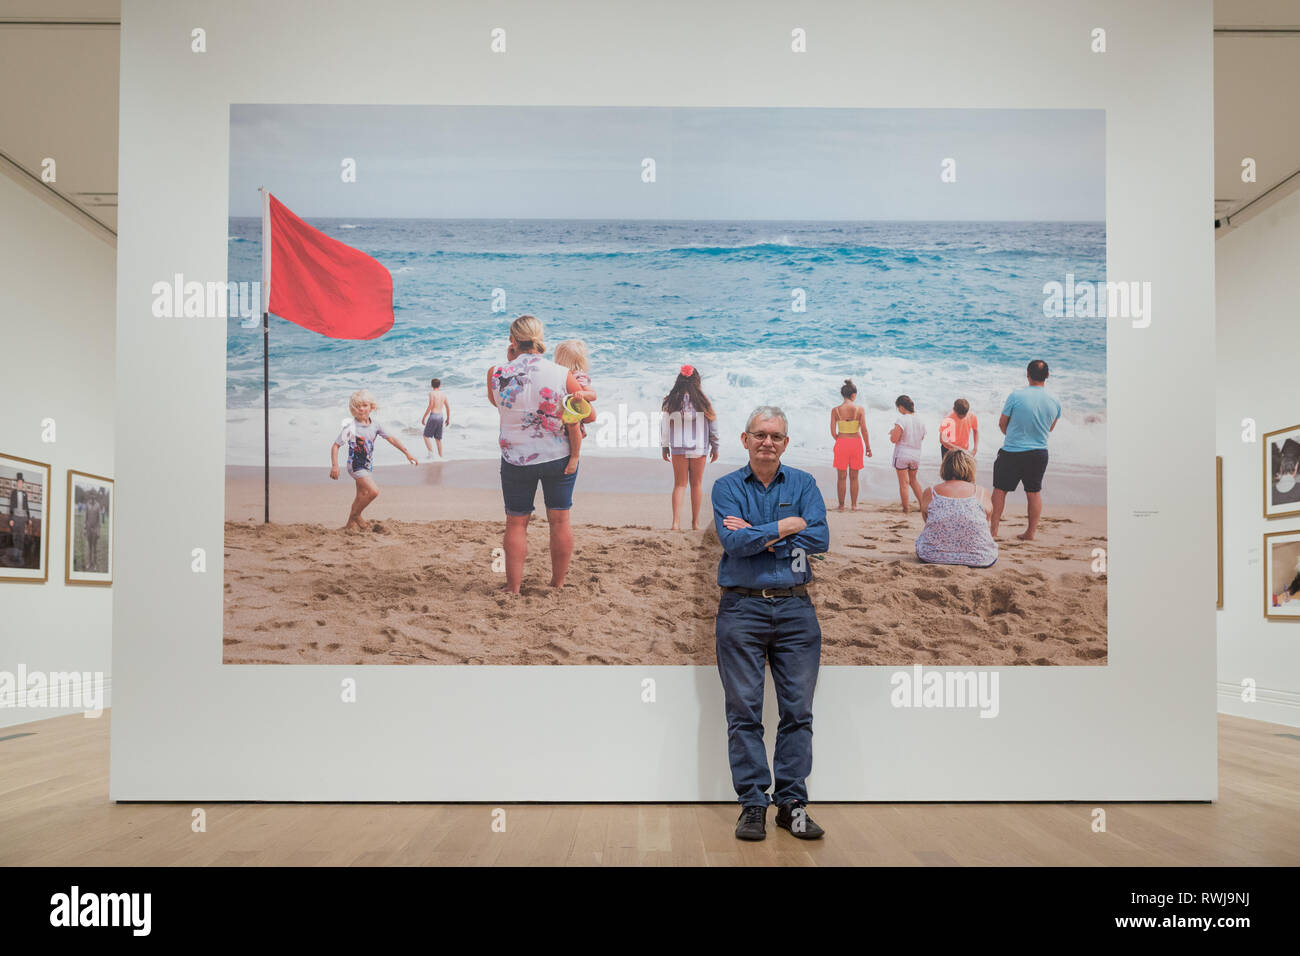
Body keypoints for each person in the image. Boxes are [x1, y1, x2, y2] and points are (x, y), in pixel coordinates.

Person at [711, 406, 830, 842]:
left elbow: (819, 539)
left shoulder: (804, 483)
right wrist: (785, 525)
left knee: (798, 712)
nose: (768, 442)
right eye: (760, 435)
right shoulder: (726, 486)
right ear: (745, 440)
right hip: (741, 610)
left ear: (785, 443)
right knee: (743, 713)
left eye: (776, 436)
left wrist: (760, 534)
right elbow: (733, 543)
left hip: (797, 610)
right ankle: (753, 805)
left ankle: (792, 806)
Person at [486, 315, 596, 593]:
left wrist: (508, 360)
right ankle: (557, 584)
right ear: (539, 337)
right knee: (559, 520)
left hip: (515, 458)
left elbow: (496, 402)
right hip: (558, 456)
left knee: (515, 523)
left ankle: (513, 587)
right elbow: (590, 415)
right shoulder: (561, 373)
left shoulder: (496, 372)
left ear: (512, 341)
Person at [990, 360, 1061, 541]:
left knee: (1000, 489)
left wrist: (1013, 436)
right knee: (1033, 492)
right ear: (1047, 375)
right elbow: (1050, 428)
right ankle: (1030, 533)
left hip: (1012, 450)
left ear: (1027, 374)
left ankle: (993, 531)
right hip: (1039, 452)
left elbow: (1002, 423)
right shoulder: (1054, 400)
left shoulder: (1015, 396)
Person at [329, 389, 418, 530]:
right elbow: (335, 446)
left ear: (371, 407)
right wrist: (335, 466)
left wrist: (407, 453)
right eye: (357, 406)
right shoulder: (351, 427)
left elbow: (392, 439)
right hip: (355, 465)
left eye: (364, 405)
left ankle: (349, 525)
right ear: (353, 409)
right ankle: (356, 516)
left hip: (367, 464)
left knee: (360, 495)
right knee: (373, 491)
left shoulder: (376, 425)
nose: (361, 409)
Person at [660, 364, 719, 531]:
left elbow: (664, 426)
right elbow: (713, 426)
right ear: (697, 381)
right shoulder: (703, 401)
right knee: (696, 484)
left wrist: (664, 446)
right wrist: (715, 447)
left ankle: (676, 523)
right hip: (699, 447)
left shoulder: (671, 401)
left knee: (679, 484)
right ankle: (695, 523)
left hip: (678, 446)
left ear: (679, 381)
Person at [915, 450, 998, 568]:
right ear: (971, 468)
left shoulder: (931, 492)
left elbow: (927, 520)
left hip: (932, 555)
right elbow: (986, 521)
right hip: (979, 557)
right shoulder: (982, 492)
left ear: (944, 468)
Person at [554, 340, 598, 477]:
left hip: (574, 410)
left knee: (573, 426)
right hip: (565, 408)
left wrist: (582, 394)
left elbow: (593, 395)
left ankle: (575, 457)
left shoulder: (578, 376)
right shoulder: (558, 374)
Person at [829, 379, 870, 511]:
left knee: (841, 477)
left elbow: (832, 431)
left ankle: (841, 505)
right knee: (854, 477)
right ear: (854, 395)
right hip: (856, 443)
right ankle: (853, 505)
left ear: (843, 394)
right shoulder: (859, 409)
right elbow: (864, 429)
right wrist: (868, 447)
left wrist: (839, 439)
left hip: (842, 443)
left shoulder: (836, 410)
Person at [889, 395, 926, 513]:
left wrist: (892, 433)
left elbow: (894, 439)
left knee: (904, 484)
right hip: (916, 455)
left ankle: (906, 509)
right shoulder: (920, 420)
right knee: (913, 481)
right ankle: (923, 505)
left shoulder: (902, 419)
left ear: (901, 407)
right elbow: (921, 437)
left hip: (902, 454)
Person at [938, 398, 979, 469]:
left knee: (963, 474)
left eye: (964, 415)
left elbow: (975, 431)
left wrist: (975, 448)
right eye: (960, 415)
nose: (962, 417)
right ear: (954, 410)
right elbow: (942, 440)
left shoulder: (972, 416)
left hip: (964, 450)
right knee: (949, 475)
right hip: (948, 450)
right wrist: (959, 448)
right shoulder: (948, 419)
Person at [420, 378, 451, 460]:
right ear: (440, 385)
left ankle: (431, 454)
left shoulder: (431, 393)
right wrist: (448, 418)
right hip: (441, 417)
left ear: (431, 385)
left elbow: (430, 405)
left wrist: (424, 417)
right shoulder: (443, 394)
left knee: (426, 436)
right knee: (438, 438)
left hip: (433, 415)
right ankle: (441, 457)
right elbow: (448, 407)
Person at [8, 474, 30, 563]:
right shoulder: (13, 493)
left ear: (23, 484)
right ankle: (15, 555)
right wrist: (11, 519)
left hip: (23, 519)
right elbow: (11, 507)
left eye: (21, 482)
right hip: (15, 518)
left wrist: (29, 518)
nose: (20, 484)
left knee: (22, 537)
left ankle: (19, 556)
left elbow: (27, 506)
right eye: (19, 482)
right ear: (17, 483)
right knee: (15, 537)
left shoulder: (25, 493)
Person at [84, 494, 102, 572]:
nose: (92, 498)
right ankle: (89, 562)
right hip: (88, 529)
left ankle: (95, 564)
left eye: (94, 496)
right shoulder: (87, 505)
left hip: (95, 529)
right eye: (91, 496)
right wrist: (85, 528)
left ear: (95, 497)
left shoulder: (98, 505)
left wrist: (98, 531)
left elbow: (99, 519)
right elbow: (86, 517)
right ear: (90, 497)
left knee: (95, 548)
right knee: (89, 547)